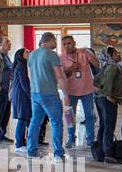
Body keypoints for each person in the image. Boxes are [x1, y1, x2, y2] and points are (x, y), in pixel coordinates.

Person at [25, 32, 67, 160]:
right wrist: (66, 95)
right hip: (49, 94)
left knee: (35, 122)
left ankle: (31, 151)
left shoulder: (32, 55)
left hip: (35, 93)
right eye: (55, 41)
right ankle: (58, 153)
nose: (56, 44)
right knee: (56, 123)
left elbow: (29, 75)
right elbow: (59, 76)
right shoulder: (52, 54)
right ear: (50, 40)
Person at [60, 35, 98, 150]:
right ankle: (71, 138)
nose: (67, 46)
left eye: (69, 43)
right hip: (70, 92)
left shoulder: (83, 53)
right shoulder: (61, 57)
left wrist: (91, 56)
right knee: (69, 117)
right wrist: (72, 68)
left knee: (89, 115)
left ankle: (91, 140)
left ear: (74, 43)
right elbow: (62, 75)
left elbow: (97, 64)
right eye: (65, 44)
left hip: (87, 90)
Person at [93, 46, 122, 164]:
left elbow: (95, 81)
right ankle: (108, 153)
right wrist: (108, 95)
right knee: (109, 126)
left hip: (100, 99)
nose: (119, 55)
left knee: (104, 124)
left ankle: (101, 151)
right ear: (109, 57)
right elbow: (108, 83)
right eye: (116, 53)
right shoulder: (113, 67)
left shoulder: (105, 67)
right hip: (107, 100)